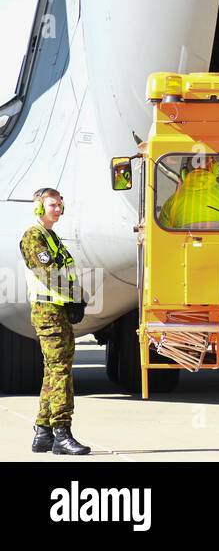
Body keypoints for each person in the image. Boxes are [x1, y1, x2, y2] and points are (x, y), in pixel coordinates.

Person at [19, 188, 91, 455]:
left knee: (54, 370)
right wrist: (74, 298)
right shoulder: (33, 237)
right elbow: (48, 273)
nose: (58, 209)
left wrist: (78, 298)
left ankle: (43, 432)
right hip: (47, 310)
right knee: (61, 370)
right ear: (39, 207)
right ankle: (62, 432)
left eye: (60, 204)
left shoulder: (53, 238)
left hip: (58, 309)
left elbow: (66, 274)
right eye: (52, 205)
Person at [158, 153, 219, 230]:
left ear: (185, 171)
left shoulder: (172, 202)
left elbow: (162, 232)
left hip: (185, 241)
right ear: (215, 167)